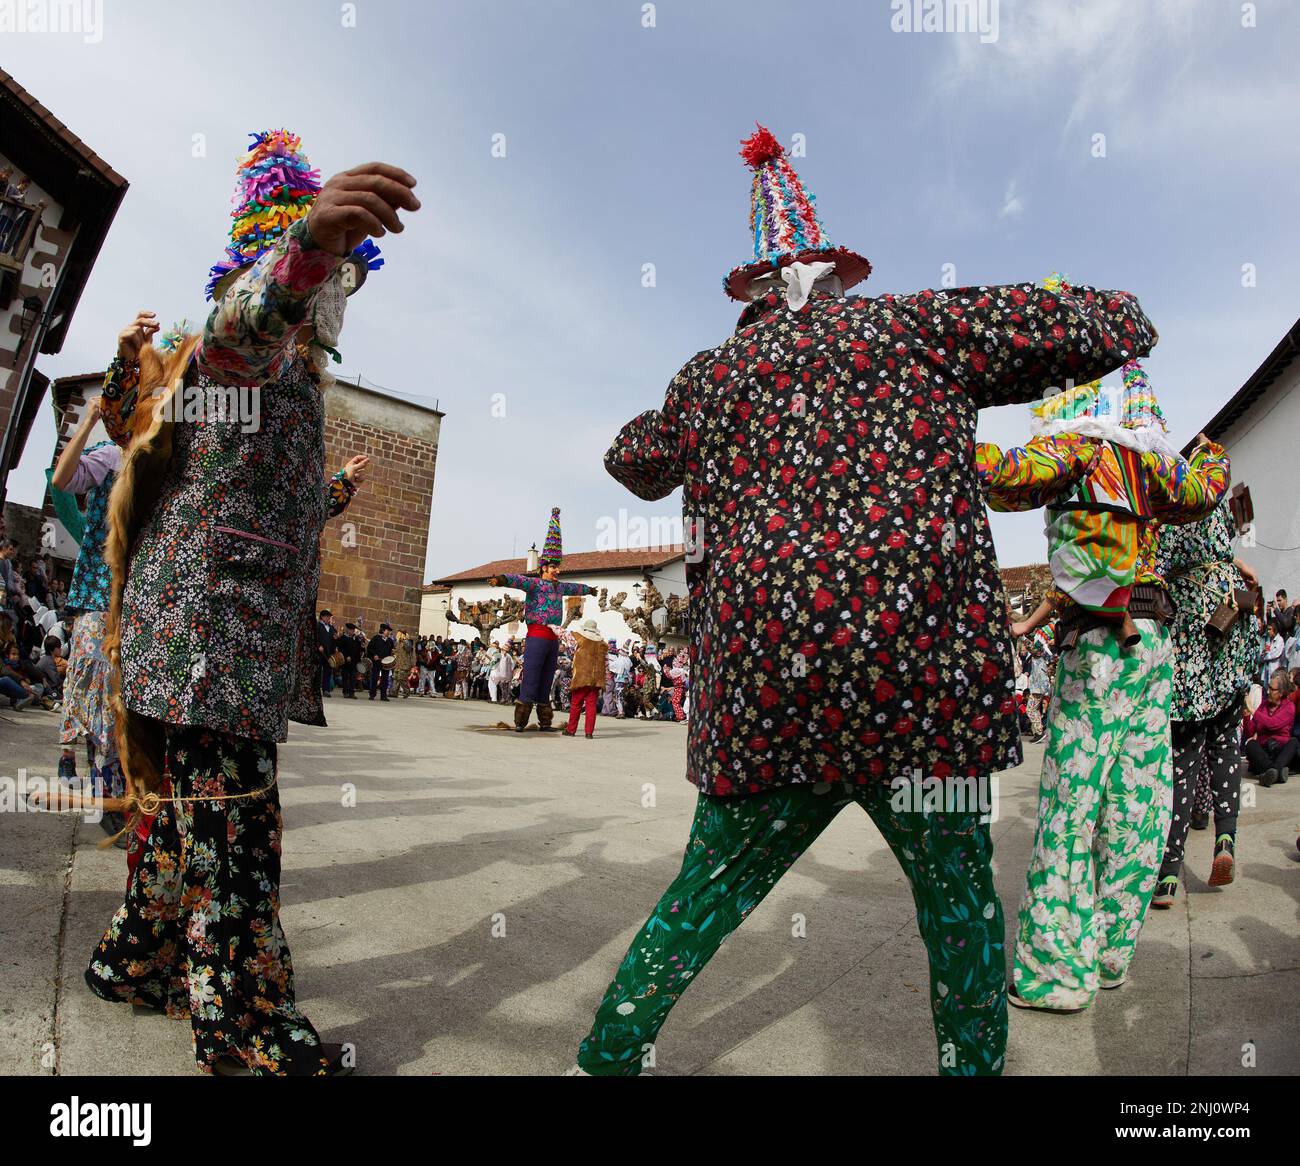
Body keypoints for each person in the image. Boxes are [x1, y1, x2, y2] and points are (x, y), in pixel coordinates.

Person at [571, 124, 1165, 1077]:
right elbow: (1114, 323)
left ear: (752, 298)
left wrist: (711, 390)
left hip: (772, 702)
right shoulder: (917, 326)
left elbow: (631, 459)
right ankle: (971, 1070)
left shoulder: (709, 380)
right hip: (920, 691)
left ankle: (605, 1062)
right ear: (835, 274)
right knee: (959, 899)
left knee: (703, 893)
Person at [84, 130, 412, 1076]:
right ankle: (243, 1029)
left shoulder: (296, 386)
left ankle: (134, 959)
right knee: (235, 821)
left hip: (217, 639)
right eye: (331, 279)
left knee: (197, 812)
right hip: (205, 638)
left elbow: (250, 496)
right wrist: (305, 249)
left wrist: (336, 492)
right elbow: (236, 339)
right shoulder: (232, 356)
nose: (340, 296)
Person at [977, 362, 1229, 1013]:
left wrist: (933, 441)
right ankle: (1112, 952)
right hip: (1154, 640)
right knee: (1137, 800)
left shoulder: (1074, 444)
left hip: (1098, 640)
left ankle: (1056, 974)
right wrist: (1211, 453)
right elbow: (1205, 489)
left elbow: (1003, 476)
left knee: (1072, 805)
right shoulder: (1146, 458)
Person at [1150, 504, 1261, 907]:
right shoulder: (1213, 501)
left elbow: (1153, 569)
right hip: (1228, 624)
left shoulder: (1166, 513)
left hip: (1191, 634)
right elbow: (1228, 546)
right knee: (1227, 745)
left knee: (1184, 761)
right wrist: (1238, 564)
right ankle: (1225, 841)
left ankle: (1167, 876)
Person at [487, 508, 596, 732]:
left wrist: (590, 590)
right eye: (554, 567)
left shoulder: (560, 586)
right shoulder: (534, 584)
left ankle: (545, 720)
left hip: (552, 639)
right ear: (544, 567)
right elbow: (516, 580)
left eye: (558, 567)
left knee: (546, 679)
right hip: (536, 636)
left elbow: (576, 587)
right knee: (532, 677)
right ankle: (520, 720)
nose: (557, 570)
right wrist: (501, 579)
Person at [1242, 671, 1296, 787]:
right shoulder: (1264, 706)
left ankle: (1272, 772)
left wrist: (1253, 710)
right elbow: (1250, 732)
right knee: (1250, 744)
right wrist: (1246, 717)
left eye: (1272, 689)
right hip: (1264, 751)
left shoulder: (1289, 707)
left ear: (1281, 693)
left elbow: (1272, 724)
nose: (1268, 692)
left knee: (1294, 742)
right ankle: (1275, 771)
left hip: (1279, 750)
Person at [563, 619, 607, 738]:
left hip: (582, 677)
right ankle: (589, 733)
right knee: (591, 706)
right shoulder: (602, 644)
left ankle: (571, 730)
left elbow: (570, 646)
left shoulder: (579, 639)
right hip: (596, 679)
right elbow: (606, 663)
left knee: (576, 704)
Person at [368, 623, 396, 701]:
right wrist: (374, 655)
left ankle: (383, 696)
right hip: (377, 662)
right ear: (383, 631)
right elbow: (369, 648)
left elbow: (391, 651)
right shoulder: (376, 638)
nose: (389, 632)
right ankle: (372, 694)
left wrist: (391, 658)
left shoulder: (390, 641)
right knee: (374, 678)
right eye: (388, 631)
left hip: (386, 664)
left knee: (385, 679)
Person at [317, 609, 337, 697]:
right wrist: (318, 646)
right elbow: (314, 637)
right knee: (317, 672)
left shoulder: (331, 627)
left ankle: (326, 690)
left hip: (329, 654)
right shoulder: (317, 626)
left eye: (329, 617)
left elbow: (334, 639)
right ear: (322, 617)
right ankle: (316, 689)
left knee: (328, 672)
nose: (329, 618)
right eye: (327, 617)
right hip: (319, 653)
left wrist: (336, 638)